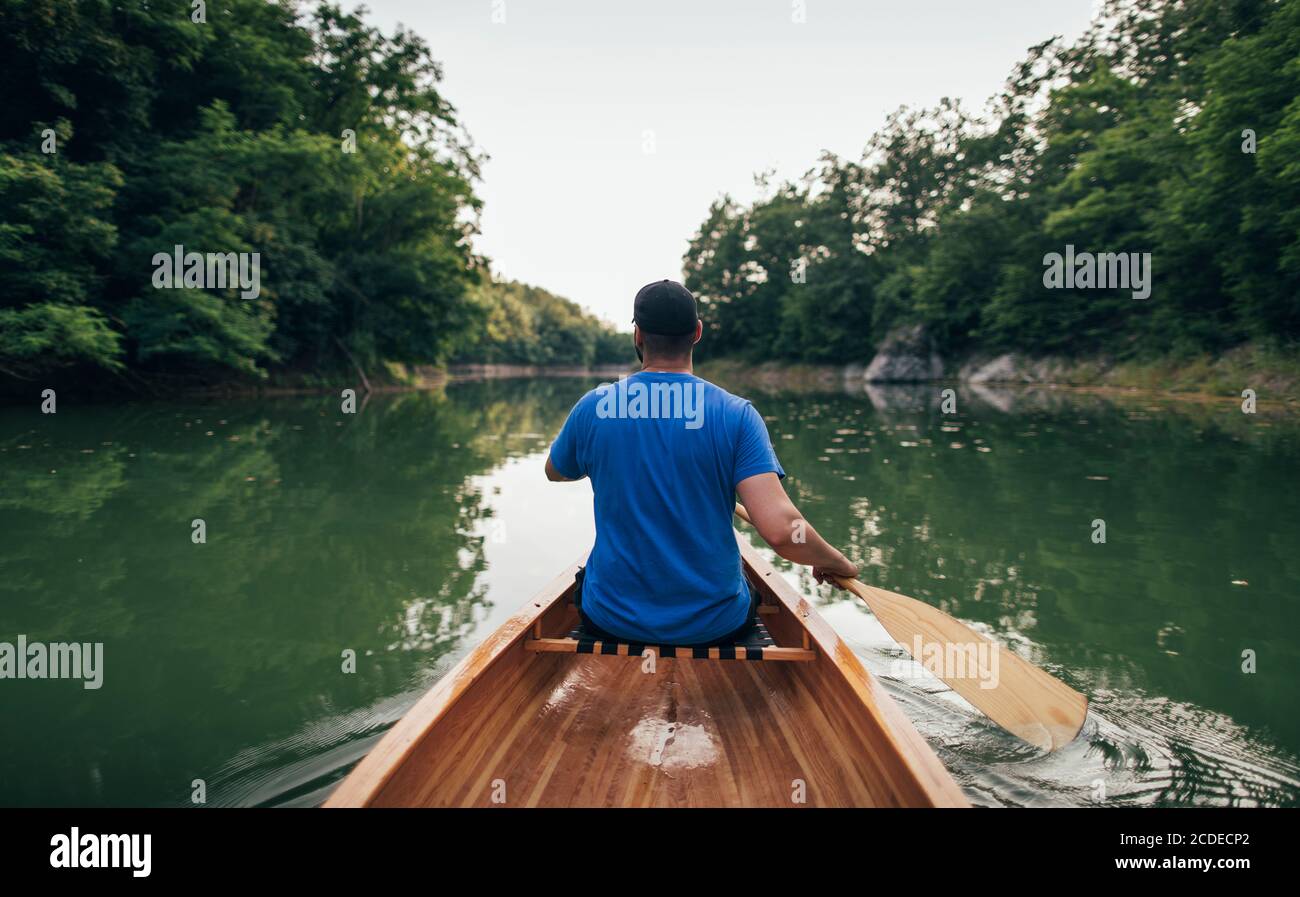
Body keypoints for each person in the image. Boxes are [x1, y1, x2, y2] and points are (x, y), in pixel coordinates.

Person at [545, 279, 859, 646]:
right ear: (697, 332)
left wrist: (599, 452)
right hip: (714, 624)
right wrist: (836, 561)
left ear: (638, 335)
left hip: (611, 618)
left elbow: (556, 471)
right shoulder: (737, 414)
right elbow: (781, 530)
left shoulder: (595, 406)